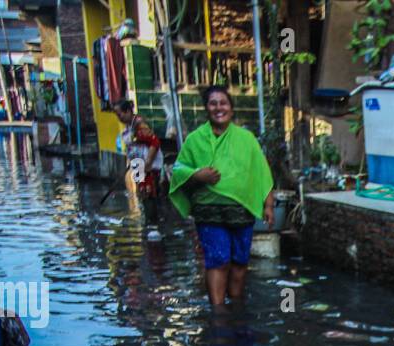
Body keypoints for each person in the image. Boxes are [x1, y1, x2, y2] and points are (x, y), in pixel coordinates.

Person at [169, 86, 275, 309]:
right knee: (218, 260)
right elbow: (178, 169)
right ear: (206, 108)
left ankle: (236, 305)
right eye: (213, 103)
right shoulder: (195, 140)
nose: (219, 108)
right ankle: (218, 313)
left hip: (241, 209)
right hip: (209, 210)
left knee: (239, 262)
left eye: (223, 103)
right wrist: (197, 175)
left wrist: (268, 204)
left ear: (231, 108)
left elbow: (261, 172)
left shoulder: (246, 139)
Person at [113, 100, 163, 232]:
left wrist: (148, 162)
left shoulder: (140, 126)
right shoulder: (129, 128)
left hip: (147, 167)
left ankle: (153, 225)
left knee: (149, 194)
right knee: (142, 193)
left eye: (120, 114)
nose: (119, 118)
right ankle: (149, 223)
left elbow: (155, 142)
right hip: (138, 165)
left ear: (128, 111)